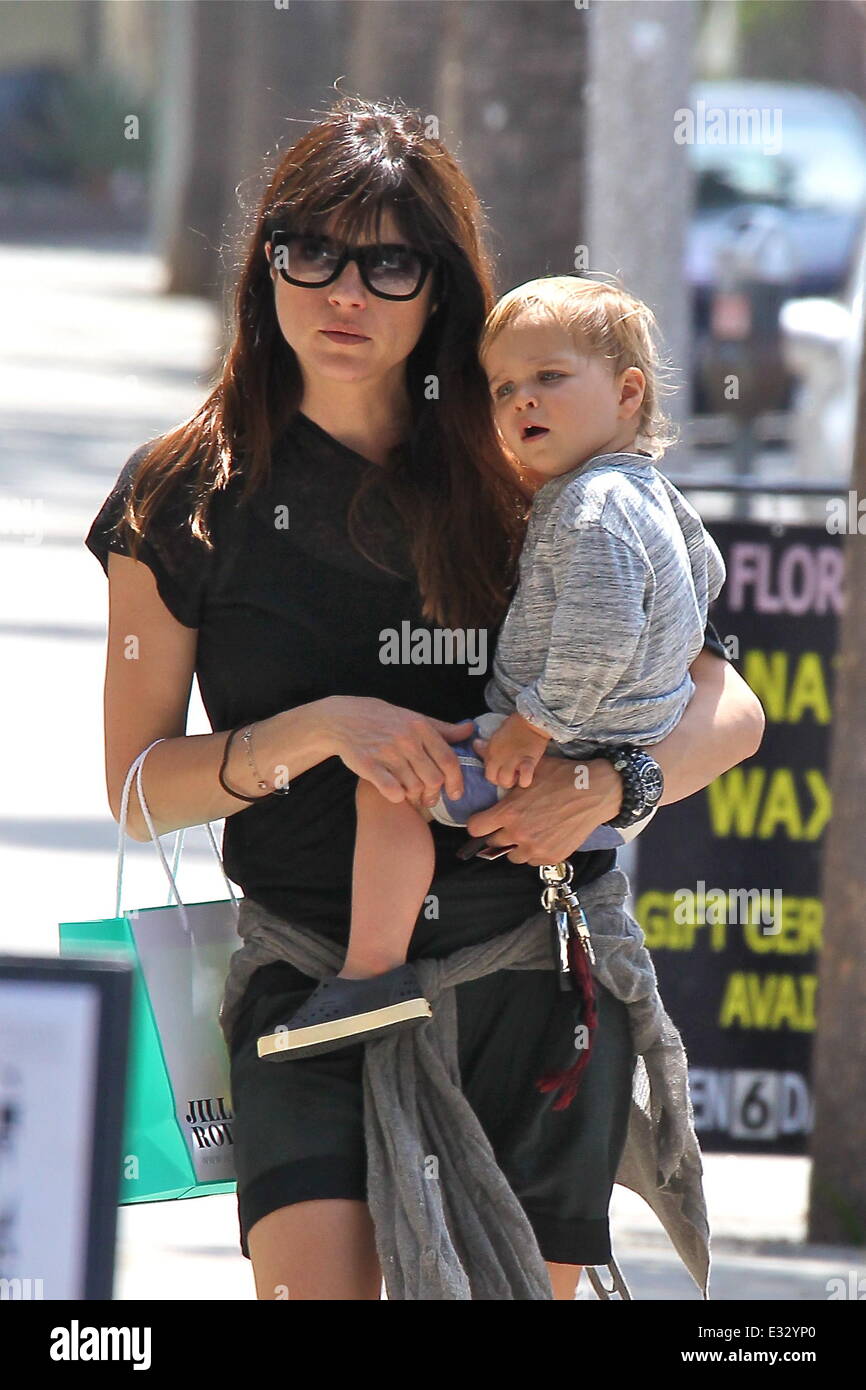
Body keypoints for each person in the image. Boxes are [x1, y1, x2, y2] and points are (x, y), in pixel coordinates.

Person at [85, 96, 765, 1301]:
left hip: (536, 972)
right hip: (316, 988)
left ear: (437, 284)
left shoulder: (534, 458)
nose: (345, 290)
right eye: (313, 251)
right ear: (266, 268)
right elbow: (139, 792)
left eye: (388, 261)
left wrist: (608, 787)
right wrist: (323, 730)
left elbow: (727, 702)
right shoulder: (185, 493)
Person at [269, 274, 727, 1060]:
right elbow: (706, 574)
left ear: (627, 394)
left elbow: (598, 636)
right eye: (505, 387)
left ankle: (370, 974)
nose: (523, 403)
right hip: (617, 745)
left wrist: (532, 727)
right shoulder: (651, 493)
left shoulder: (590, 508)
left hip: (558, 744)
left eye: (550, 378)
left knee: (393, 785)